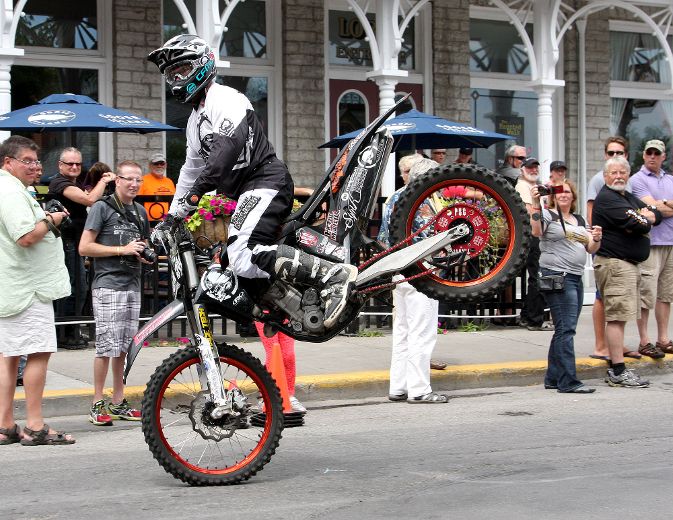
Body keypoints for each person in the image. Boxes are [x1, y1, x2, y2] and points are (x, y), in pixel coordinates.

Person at [148, 34, 357, 330]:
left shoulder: (227, 99)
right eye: (171, 74)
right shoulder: (195, 122)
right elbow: (189, 171)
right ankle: (289, 305)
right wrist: (171, 217)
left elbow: (223, 156)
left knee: (244, 248)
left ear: (202, 65)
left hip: (266, 180)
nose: (176, 79)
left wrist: (194, 198)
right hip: (248, 190)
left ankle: (334, 275)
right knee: (238, 260)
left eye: (181, 70)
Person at [0, 135, 75, 445]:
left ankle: (5, 425)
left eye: (36, 161)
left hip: (16, 287)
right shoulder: (10, 191)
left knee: (8, 357)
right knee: (38, 354)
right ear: (8, 162)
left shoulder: (11, 188)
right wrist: (52, 218)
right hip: (28, 289)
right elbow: (26, 236)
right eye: (27, 161)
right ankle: (35, 426)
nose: (34, 166)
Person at [79, 161, 150, 425]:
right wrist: (121, 250)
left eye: (138, 180)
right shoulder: (101, 207)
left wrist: (143, 256)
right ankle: (97, 402)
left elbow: (140, 246)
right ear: (117, 180)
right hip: (108, 284)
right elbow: (84, 247)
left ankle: (118, 401)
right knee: (105, 347)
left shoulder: (141, 211)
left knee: (123, 347)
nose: (133, 184)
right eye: (128, 179)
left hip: (132, 284)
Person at [379, 156, 448, 404]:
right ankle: (419, 389)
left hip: (399, 271)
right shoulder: (426, 201)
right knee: (422, 333)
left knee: (402, 333)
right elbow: (436, 241)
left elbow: (383, 239)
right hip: (423, 273)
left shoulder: (394, 198)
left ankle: (399, 386)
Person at [591, 155, 660, 388]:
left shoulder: (625, 197)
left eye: (622, 172)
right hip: (615, 265)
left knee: (621, 317)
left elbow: (654, 213)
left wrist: (647, 215)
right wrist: (644, 218)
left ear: (628, 175)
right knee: (617, 318)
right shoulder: (608, 199)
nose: (618, 176)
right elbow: (640, 223)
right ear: (605, 176)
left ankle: (618, 367)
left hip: (626, 264)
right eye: (614, 173)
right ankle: (618, 371)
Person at [530, 180, 602, 393]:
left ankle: (553, 378)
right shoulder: (547, 215)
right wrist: (536, 201)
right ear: (553, 195)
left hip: (575, 277)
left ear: (573, 196)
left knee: (564, 329)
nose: (563, 195)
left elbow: (590, 248)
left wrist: (597, 238)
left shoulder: (578, 219)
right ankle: (568, 381)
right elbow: (535, 231)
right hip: (558, 276)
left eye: (567, 191)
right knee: (566, 330)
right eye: (559, 192)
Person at [48, 147, 116, 349]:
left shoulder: (71, 183)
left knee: (78, 286)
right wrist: (103, 181)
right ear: (61, 165)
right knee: (73, 286)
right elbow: (89, 200)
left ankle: (69, 330)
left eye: (78, 164)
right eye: (70, 163)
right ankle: (67, 333)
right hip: (66, 242)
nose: (75, 167)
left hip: (75, 242)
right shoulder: (60, 182)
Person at [585, 136, 640, 361]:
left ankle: (615, 346)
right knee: (601, 298)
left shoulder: (628, 182)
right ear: (605, 156)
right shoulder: (600, 180)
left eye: (619, 153)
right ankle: (602, 346)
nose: (615, 157)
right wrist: (596, 238)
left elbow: (638, 212)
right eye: (610, 153)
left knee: (618, 305)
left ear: (626, 155)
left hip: (626, 254)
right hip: (606, 249)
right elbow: (592, 211)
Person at [630, 139, 673, 359]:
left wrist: (660, 203)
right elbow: (649, 207)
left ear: (663, 156)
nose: (653, 157)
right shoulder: (637, 180)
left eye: (657, 153)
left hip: (670, 242)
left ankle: (664, 339)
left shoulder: (670, 179)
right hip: (650, 243)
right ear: (644, 154)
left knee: (665, 294)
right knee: (646, 293)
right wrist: (665, 205)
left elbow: (658, 206)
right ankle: (644, 340)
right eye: (649, 153)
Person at [515, 158, 553, 331]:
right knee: (537, 277)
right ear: (522, 169)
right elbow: (531, 213)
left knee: (537, 277)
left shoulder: (536, 187)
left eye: (535, 167)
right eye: (529, 167)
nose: (533, 170)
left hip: (538, 235)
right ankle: (534, 319)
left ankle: (528, 315)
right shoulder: (523, 186)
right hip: (533, 235)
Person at [253, 322, 306, 413]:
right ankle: (266, 397)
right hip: (264, 314)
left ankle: (289, 395)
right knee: (273, 353)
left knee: (288, 356)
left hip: (286, 314)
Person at [137, 152, 176, 222]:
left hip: (167, 223)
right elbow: (137, 204)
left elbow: (174, 202)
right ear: (150, 165)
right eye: (156, 163)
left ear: (166, 165)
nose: (159, 166)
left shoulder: (169, 182)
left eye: (162, 163)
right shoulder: (142, 181)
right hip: (149, 224)